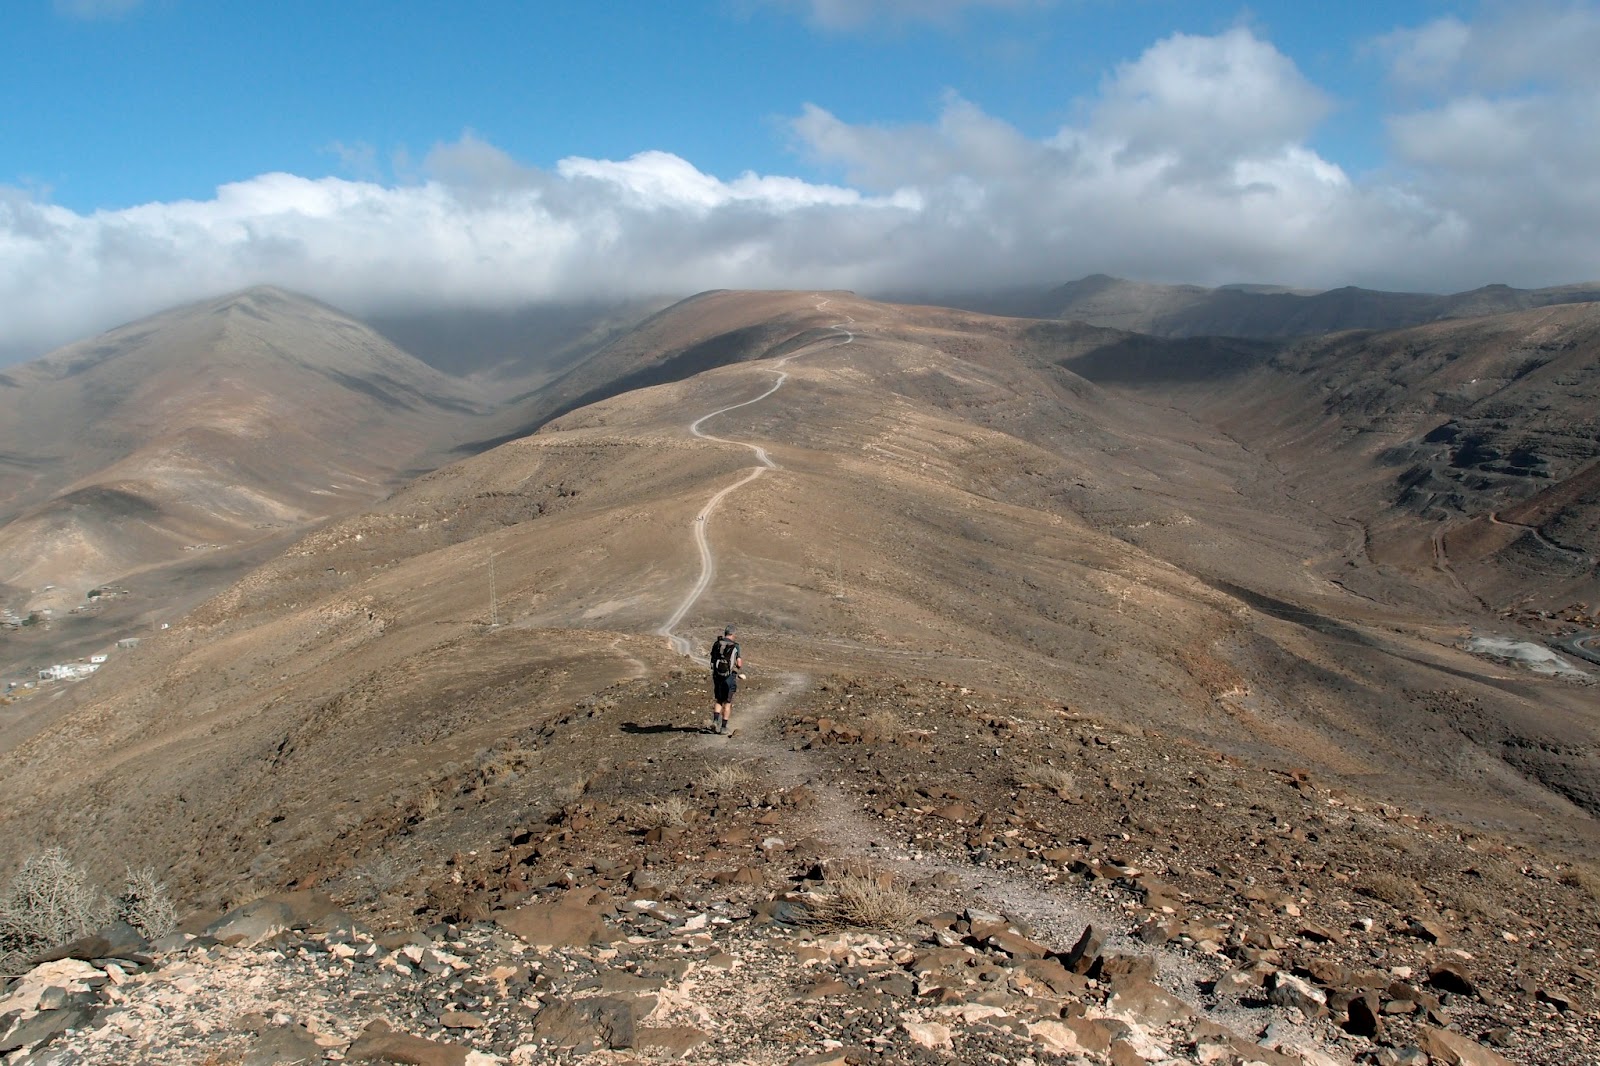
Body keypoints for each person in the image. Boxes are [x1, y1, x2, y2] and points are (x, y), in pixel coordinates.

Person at [707, 625, 744, 734]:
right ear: (733, 634)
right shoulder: (735, 646)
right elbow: (739, 664)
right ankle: (723, 727)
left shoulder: (717, 644)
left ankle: (715, 721)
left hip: (717, 675)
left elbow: (712, 659)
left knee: (719, 699)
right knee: (727, 702)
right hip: (729, 677)